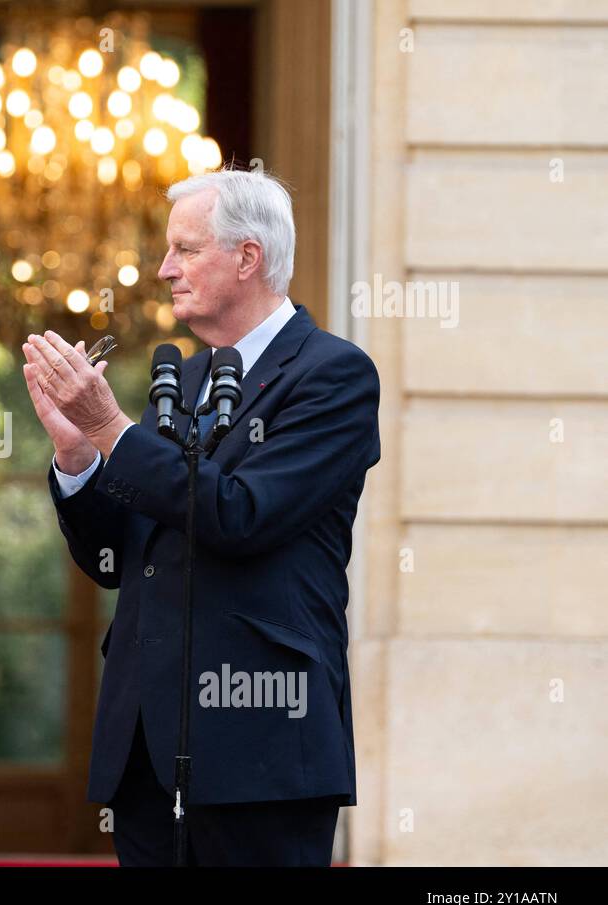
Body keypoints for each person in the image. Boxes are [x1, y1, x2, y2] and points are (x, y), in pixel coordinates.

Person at [22, 170, 381, 866]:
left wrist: (113, 430)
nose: (164, 270)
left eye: (184, 250)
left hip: (263, 746)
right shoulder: (181, 379)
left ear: (247, 258)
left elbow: (239, 515)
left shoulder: (333, 375)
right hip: (148, 750)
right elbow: (118, 558)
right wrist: (78, 456)